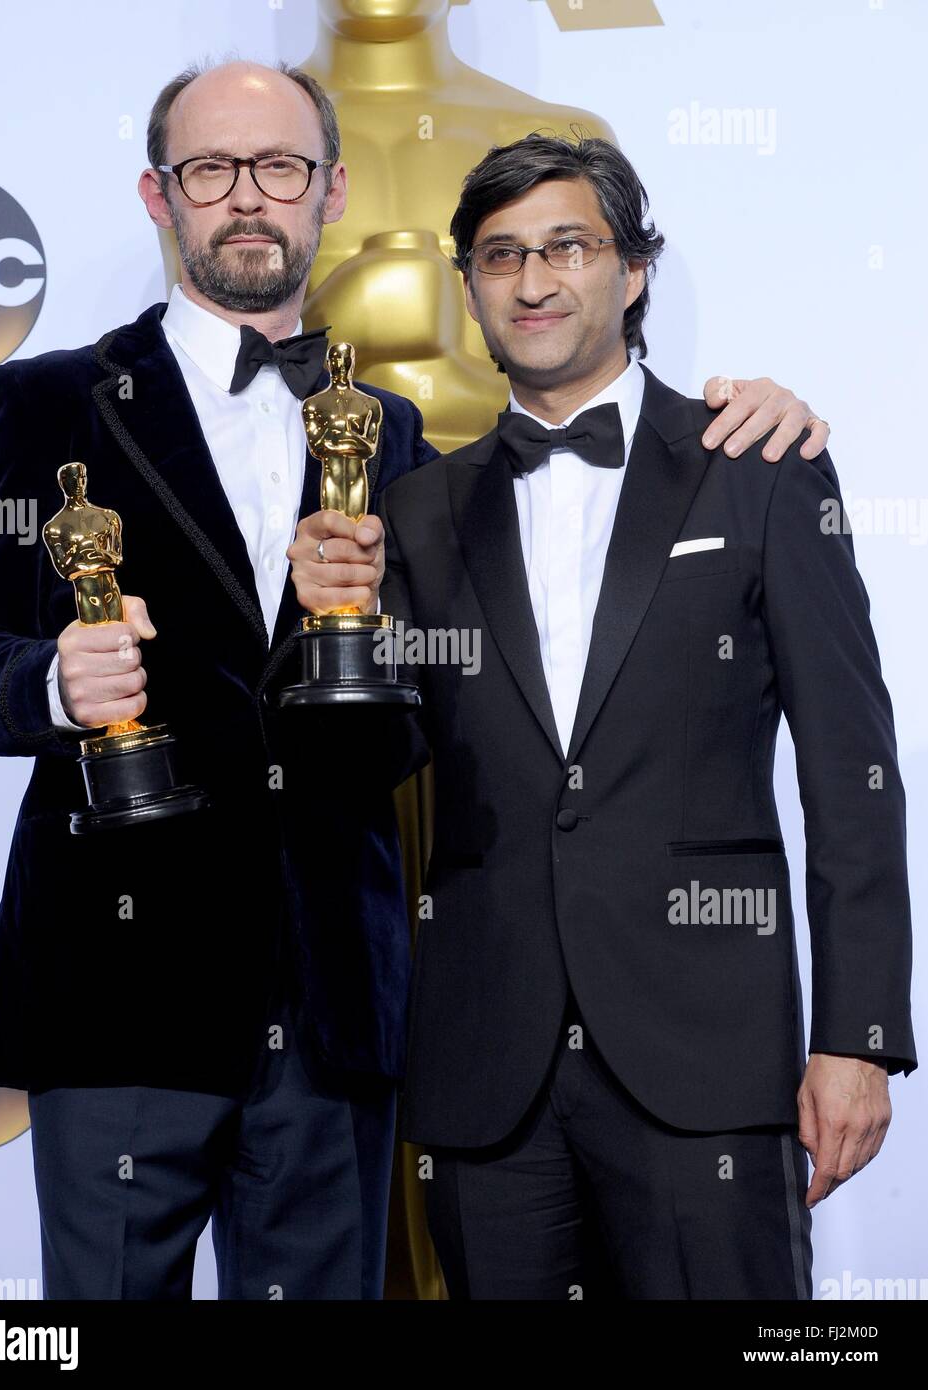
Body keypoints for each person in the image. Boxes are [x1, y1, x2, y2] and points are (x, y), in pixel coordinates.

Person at [0, 58, 827, 1302]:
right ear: (158, 194)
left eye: (280, 168)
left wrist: (745, 407)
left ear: (330, 192)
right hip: (117, 1001)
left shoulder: (393, 432)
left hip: (333, 1006)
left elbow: (417, 726)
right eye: (211, 169)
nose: (247, 198)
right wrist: (52, 682)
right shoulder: (43, 402)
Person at [367, 134, 916, 1300]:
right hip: (485, 1071)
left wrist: (856, 1034)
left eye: (567, 246)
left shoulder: (759, 464)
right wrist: (316, 619)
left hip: (707, 1060)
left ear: (635, 269)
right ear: (467, 285)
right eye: (500, 255)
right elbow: (355, 761)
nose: (531, 280)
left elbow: (851, 770)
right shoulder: (412, 511)